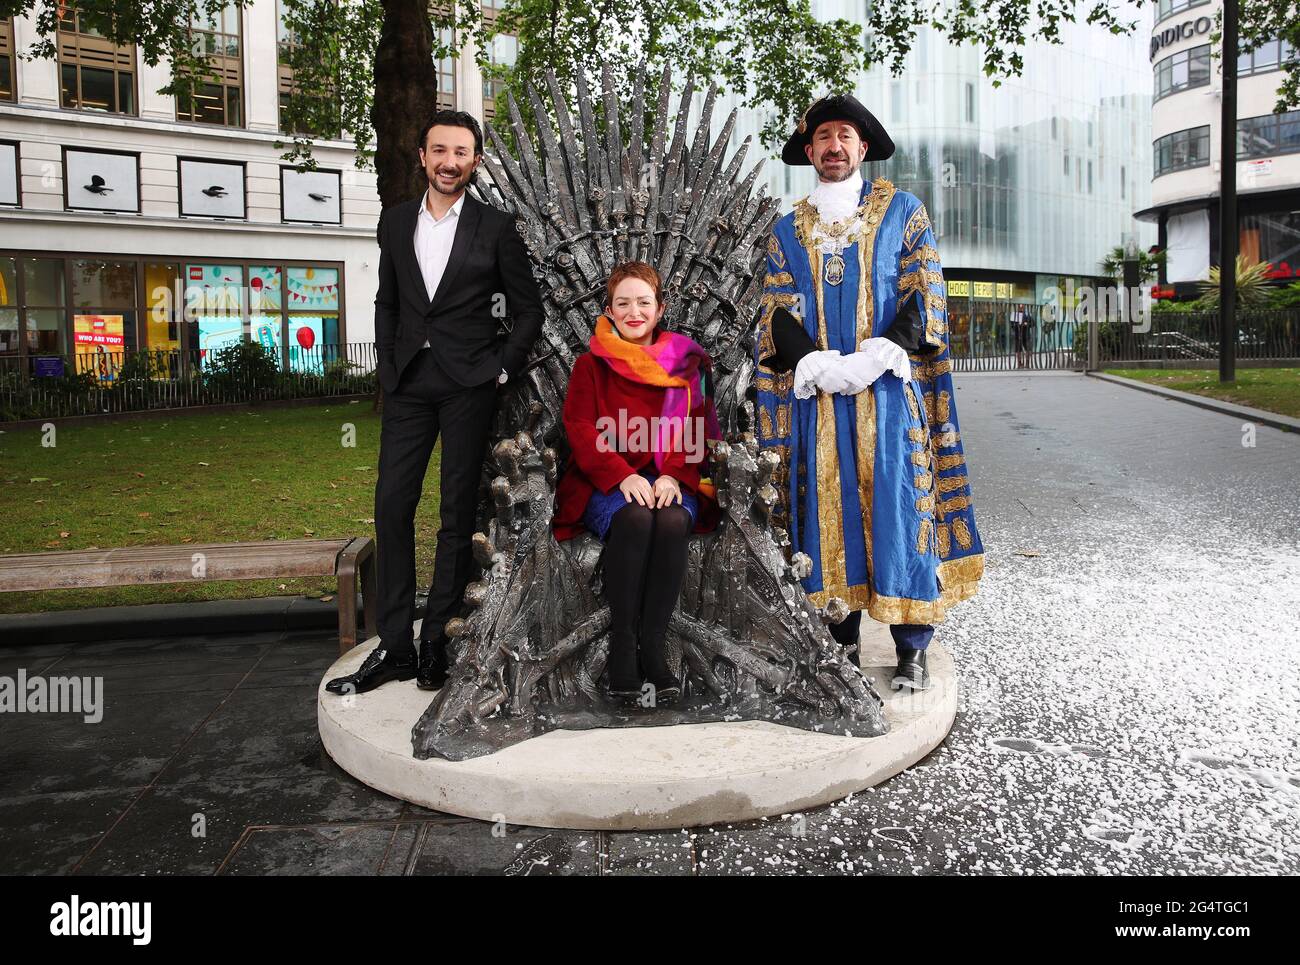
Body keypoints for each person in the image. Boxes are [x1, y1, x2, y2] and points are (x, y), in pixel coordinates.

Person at [754, 94, 984, 691]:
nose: (834, 146)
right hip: (821, 399)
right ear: (809, 153)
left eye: (844, 137)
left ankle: (912, 649)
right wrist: (815, 362)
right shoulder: (785, 231)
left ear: (862, 148)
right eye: (823, 138)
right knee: (826, 514)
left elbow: (925, 289)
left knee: (899, 508)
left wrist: (880, 354)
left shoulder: (905, 212)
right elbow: (776, 307)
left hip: (886, 394)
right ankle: (841, 646)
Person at [327, 109, 543, 696]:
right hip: (408, 384)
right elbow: (388, 299)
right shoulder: (395, 222)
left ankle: (435, 646)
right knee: (392, 504)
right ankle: (395, 646)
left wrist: (501, 368)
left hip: (468, 384)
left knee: (454, 516)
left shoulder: (496, 227)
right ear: (422, 157)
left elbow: (529, 310)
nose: (451, 162)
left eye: (463, 152)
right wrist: (387, 363)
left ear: (475, 161)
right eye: (440, 151)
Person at [552, 262, 721, 705]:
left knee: (668, 521)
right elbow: (580, 427)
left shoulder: (686, 365)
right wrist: (621, 474)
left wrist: (674, 475)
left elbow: (699, 429)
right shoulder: (590, 365)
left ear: (660, 308)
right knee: (634, 518)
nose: (633, 311)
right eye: (622, 303)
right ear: (609, 310)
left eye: (643, 302)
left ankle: (654, 644)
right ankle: (623, 646)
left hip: (671, 473)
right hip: (604, 476)